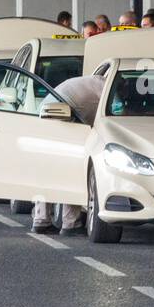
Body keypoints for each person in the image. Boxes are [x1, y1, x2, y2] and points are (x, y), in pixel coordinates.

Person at [32, 72, 107, 235]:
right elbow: (117, 111)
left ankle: (41, 219)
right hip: (60, 117)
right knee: (70, 170)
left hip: (44, 114)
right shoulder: (103, 85)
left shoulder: (87, 82)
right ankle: (70, 223)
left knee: (48, 171)